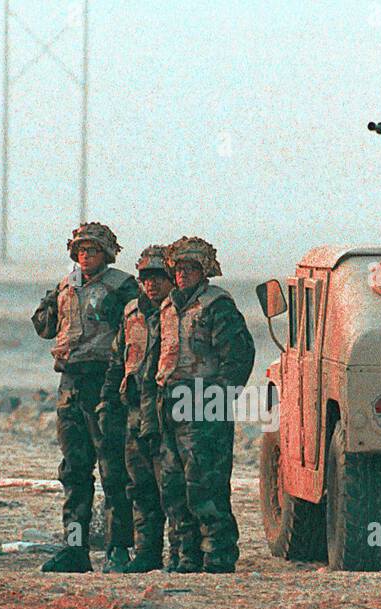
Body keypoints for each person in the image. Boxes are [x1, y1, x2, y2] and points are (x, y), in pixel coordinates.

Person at [31, 222, 137, 573]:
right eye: (80, 251)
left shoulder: (121, 287)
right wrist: (55, 302)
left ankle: (119, 549)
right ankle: (75, 547)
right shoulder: (66, 286)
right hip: (71, 382)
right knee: (74, 472)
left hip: (105, 382)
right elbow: (44, 327)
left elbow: (138, 330)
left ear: (106, 253)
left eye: (92, 250)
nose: (85, 256)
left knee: (113, 471)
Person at [150, 236, 255, 574]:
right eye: (178, 269)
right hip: (170, 403)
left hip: (204, 406)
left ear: (203, 271)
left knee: (205, 485)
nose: (182, 275)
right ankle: (185, 555)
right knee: (173, 486)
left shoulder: (216, 306)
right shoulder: (167, 307)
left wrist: (217, 398)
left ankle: (218, 556)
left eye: (190, 269)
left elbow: (238, 358)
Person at [101, 245, 173, 573]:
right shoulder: (132, 313)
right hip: (134, 414)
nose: (151, 284)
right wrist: (108, 401)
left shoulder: (178, 313)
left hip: (169, 415)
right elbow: (119, 359)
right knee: (139, 487)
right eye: (145, 278)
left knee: (173, 489)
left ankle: (186, 557)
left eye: (159, 277)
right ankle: (147, 553)